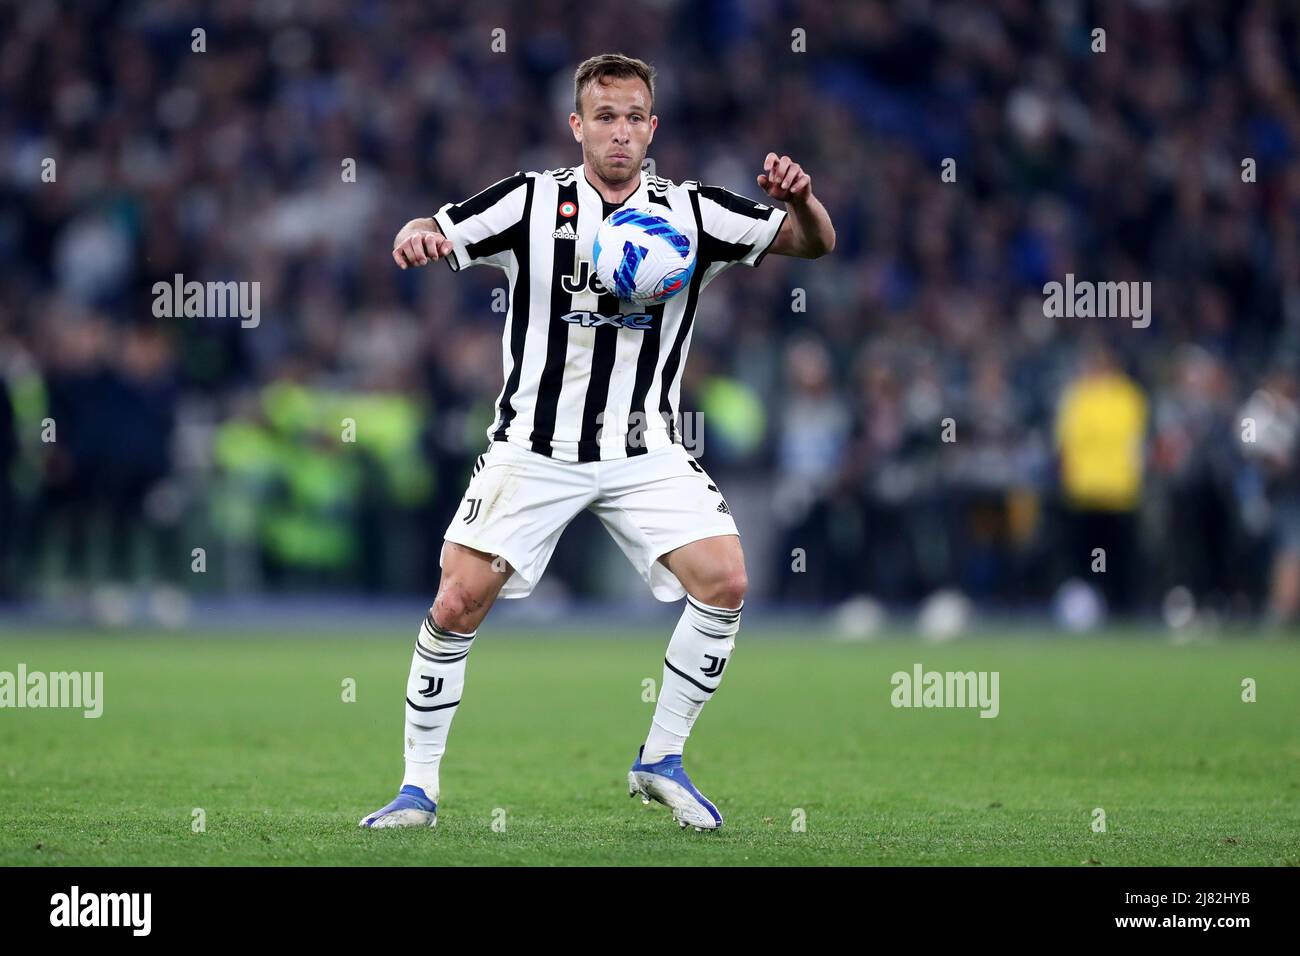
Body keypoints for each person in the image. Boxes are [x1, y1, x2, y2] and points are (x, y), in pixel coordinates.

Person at [362, 53, 834, 831]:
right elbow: (439, 228)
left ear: (654, 127)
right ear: (577, 126)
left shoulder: (694, 212)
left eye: (633, 118)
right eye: (604, 117)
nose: (619, 133)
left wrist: (806, 199)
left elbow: (813, 244)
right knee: (455, 601)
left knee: (726, 580)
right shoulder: (528, 202)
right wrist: (416, 233)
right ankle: (418, 791)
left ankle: (662, 758)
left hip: (644, 446)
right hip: (533, 444)